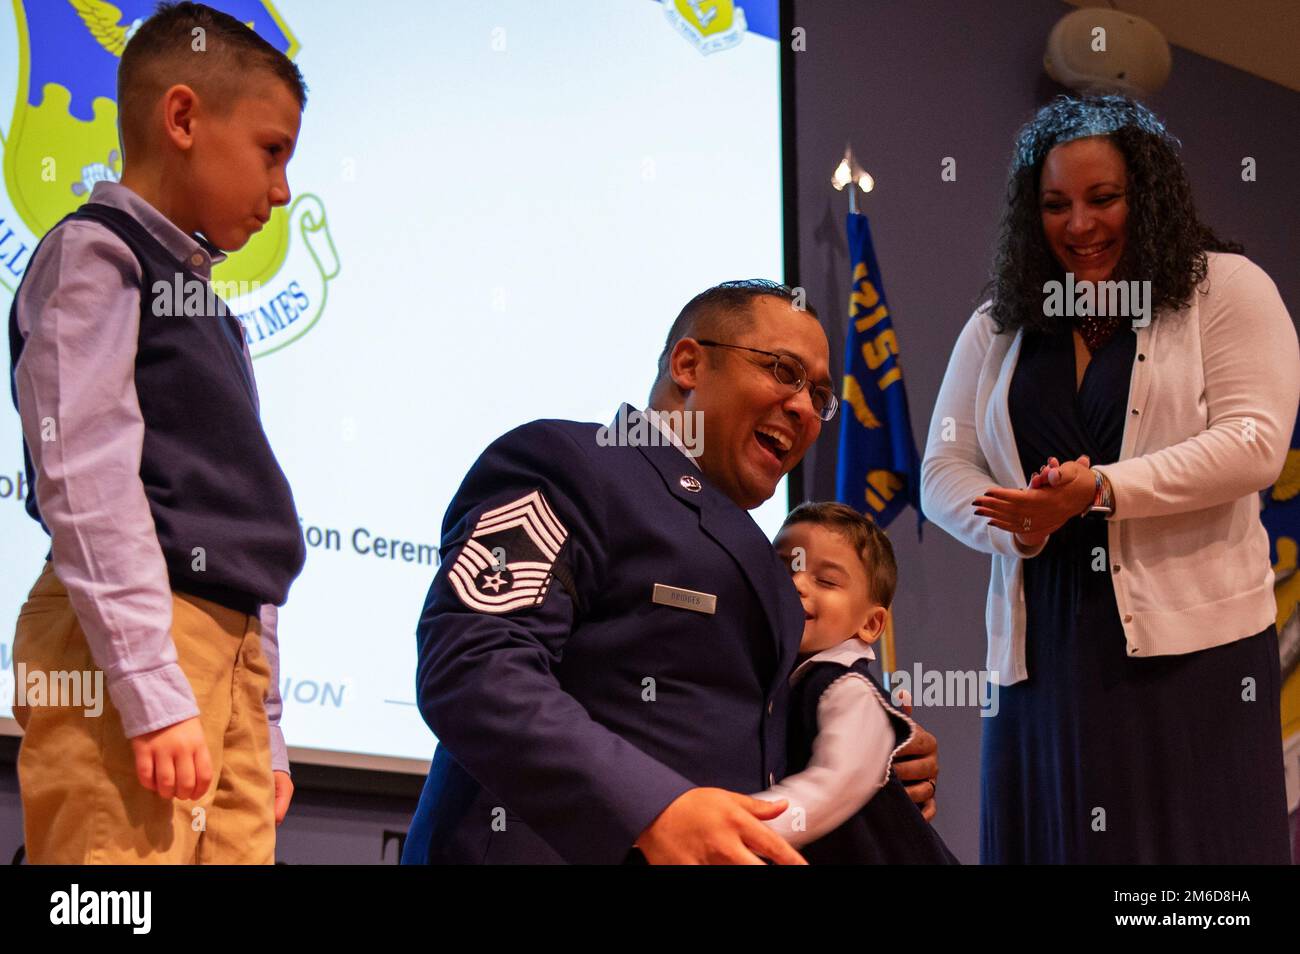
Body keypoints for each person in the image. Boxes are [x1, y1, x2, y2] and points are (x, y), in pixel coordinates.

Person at [402, 279, 940, 864]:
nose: (806, 409)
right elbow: (474, 665)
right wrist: (651, 806)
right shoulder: (573, 463)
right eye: (784, 372)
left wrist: (876, 748)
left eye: (819, 395)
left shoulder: (766, 560)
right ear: (689, 363)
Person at [922, 95, 1299, 863]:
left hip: (1195, 649)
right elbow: (942, 467)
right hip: (1042, 648)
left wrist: (1102, 490)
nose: (1080, 224)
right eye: (1056, 204)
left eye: (1104, 198)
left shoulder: (1224, 290)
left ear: (1148, 195)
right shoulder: (1001, 323)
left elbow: (1254, 443)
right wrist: (1012, 519)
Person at [7, 2, 307, 863]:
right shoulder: (98, 255)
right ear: (182, 117)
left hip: (227, 653)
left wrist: (267, 719)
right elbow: (88, 477)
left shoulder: (207, 307)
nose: (282, 189)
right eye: (271, 150)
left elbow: (245, 531)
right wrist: (149, 683)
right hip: (137, 637)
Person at [754, 502, 958, 863]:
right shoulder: (785, 680)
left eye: (826, 580)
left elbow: (840, 780)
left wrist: (747, 825)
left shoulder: (845, 687)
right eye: (783, 568)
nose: (797, 583)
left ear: (871, 624)